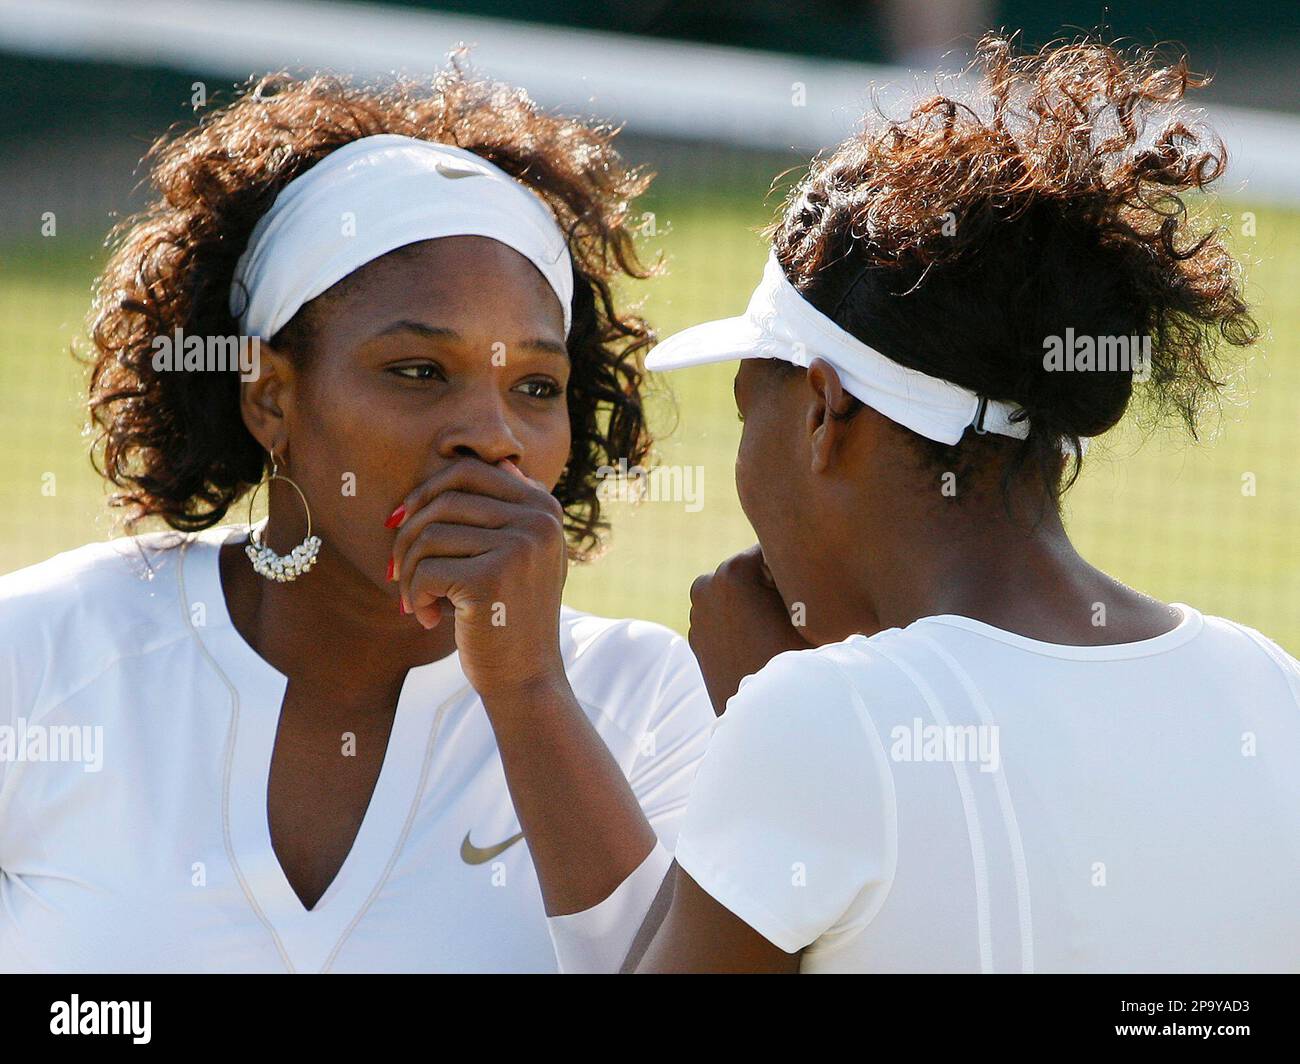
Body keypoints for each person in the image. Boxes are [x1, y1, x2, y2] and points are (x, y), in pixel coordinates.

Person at [0, 67, 715, 973]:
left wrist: (528, 690)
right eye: (418, 371)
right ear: (270, 398)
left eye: (536, 387)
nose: (492, 439)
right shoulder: (39, 655)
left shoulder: (637, 697)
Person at [627, 34, 1300, 973]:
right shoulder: (1270, 686)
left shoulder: (816, 722)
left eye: (748, 408)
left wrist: (742, 732)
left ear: (825, 414)